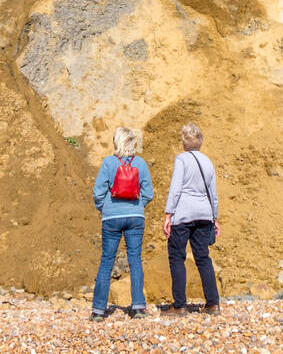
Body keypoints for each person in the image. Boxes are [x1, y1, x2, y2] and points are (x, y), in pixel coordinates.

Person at [91, 127, 153, 320]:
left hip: (111, 218)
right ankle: (138, 307)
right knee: (135, 260)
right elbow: (149, 193)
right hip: (135, 217)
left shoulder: (109, 163)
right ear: (132, 142)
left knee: (106, 261)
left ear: (116, 142)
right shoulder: (140, 163)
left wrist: (105, 208)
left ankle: (98, 311)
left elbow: (97, 192)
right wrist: (137, 207)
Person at [163, 122, 220, 316]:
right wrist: (215, 217)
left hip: (184, 214)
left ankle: (179, 305)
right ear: (200, 141)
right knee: (203, 257)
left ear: (184, 142)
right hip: (204, 215)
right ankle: (213, 303)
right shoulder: (208, 162)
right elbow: (213, 193)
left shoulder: (182, 159)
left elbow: (175, 188)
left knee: (177, 256)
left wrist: (168, 213)